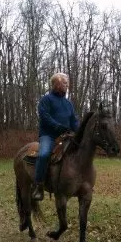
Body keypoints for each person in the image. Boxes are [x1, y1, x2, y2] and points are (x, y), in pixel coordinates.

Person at [32, 72, 79, 201]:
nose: (67, 85)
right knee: (43, 154)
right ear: (56, 84)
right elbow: (45, 117)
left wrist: (80, 131)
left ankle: (81, 182)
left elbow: (74, 120)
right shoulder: (46, 100)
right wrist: (58, 127)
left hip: (67, 136)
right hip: (49, 136)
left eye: (67, 83)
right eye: (64, 83)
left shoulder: (68, 103)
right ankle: (38, 185)